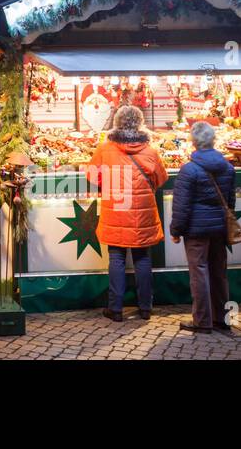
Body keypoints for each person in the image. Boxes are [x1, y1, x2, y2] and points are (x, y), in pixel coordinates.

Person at [86, 104, 168, 321]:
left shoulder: (105, 149)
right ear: (140, 122)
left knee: (116, 258)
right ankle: (145, 308)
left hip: (116, 210)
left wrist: (109, 184)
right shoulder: (150, 151)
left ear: (117, 122)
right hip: (143, 214)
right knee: (142, 258)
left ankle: (115, 308)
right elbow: (161, 178)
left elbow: (92, 176)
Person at [170, 121, 237, 333]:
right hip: (219, 228)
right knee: (219, 272)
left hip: (196, 231)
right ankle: (223, 319)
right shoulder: (228, 167)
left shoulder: (189, 170)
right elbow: (230, 201)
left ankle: (203, 321)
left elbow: (181, 206)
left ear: (194, 142)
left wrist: (175, 231)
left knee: (199, 273)